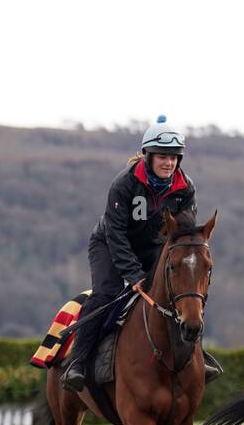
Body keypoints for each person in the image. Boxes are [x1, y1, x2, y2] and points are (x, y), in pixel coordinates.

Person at [61, 116, 221, 390]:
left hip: (155, 248)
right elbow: (116, 234)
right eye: (162, 157)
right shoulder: (124, 185)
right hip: (111, 245)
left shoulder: (186, 189)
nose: (168, 163)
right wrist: (133, 274)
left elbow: (181, 235)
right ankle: (78, 362)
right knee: (106, 293)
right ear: (147, 156)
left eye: (174, 158)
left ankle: (197, 356)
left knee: (182, 293)